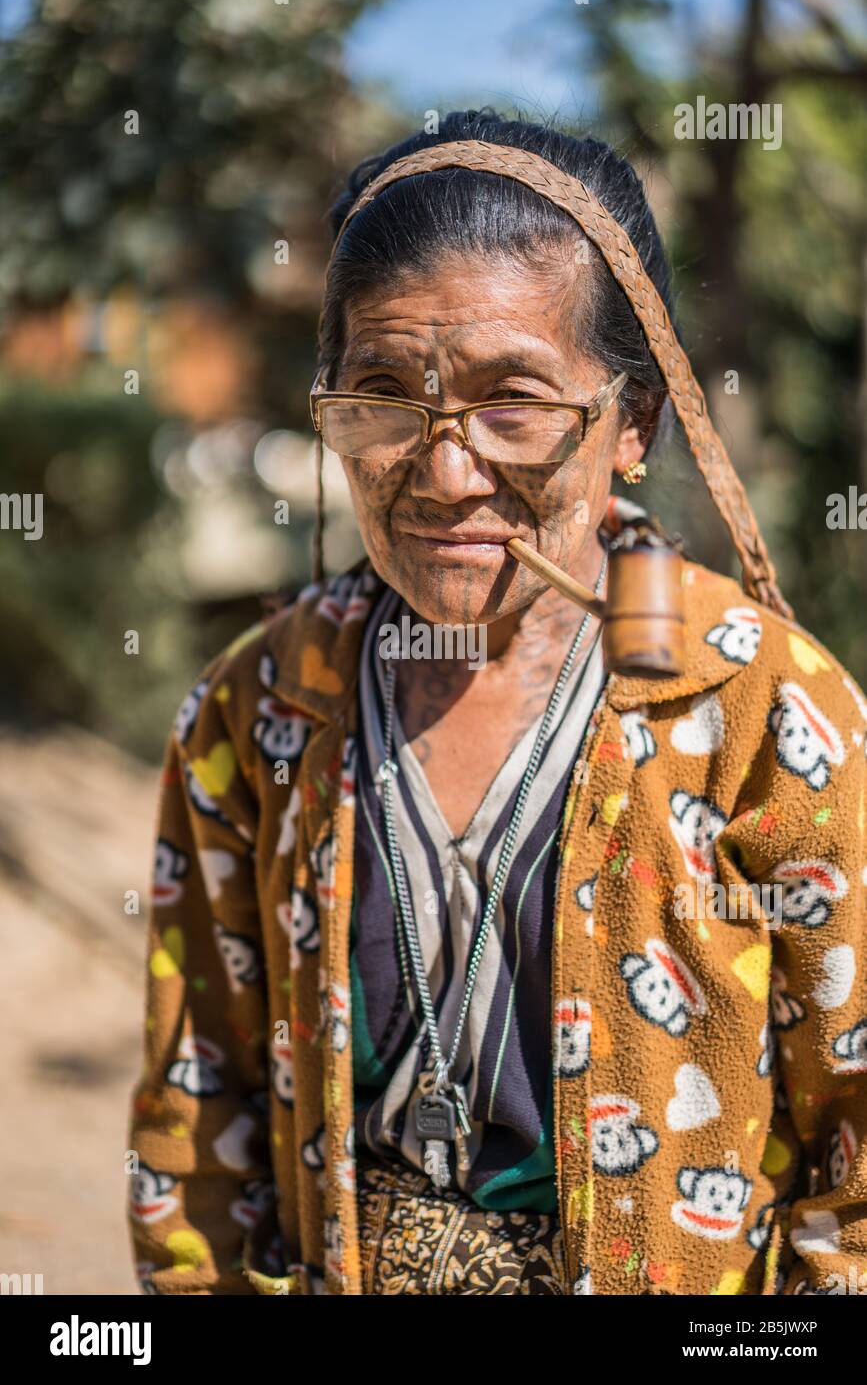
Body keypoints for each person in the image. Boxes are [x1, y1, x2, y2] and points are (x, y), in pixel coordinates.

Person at [126, 110, 867, 1296]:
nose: (446, 471)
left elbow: (858, 1154)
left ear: (634, 425)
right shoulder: (258, 710)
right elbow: (196, 1116)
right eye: (382, 395)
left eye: (512, 401)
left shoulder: (767, 715)